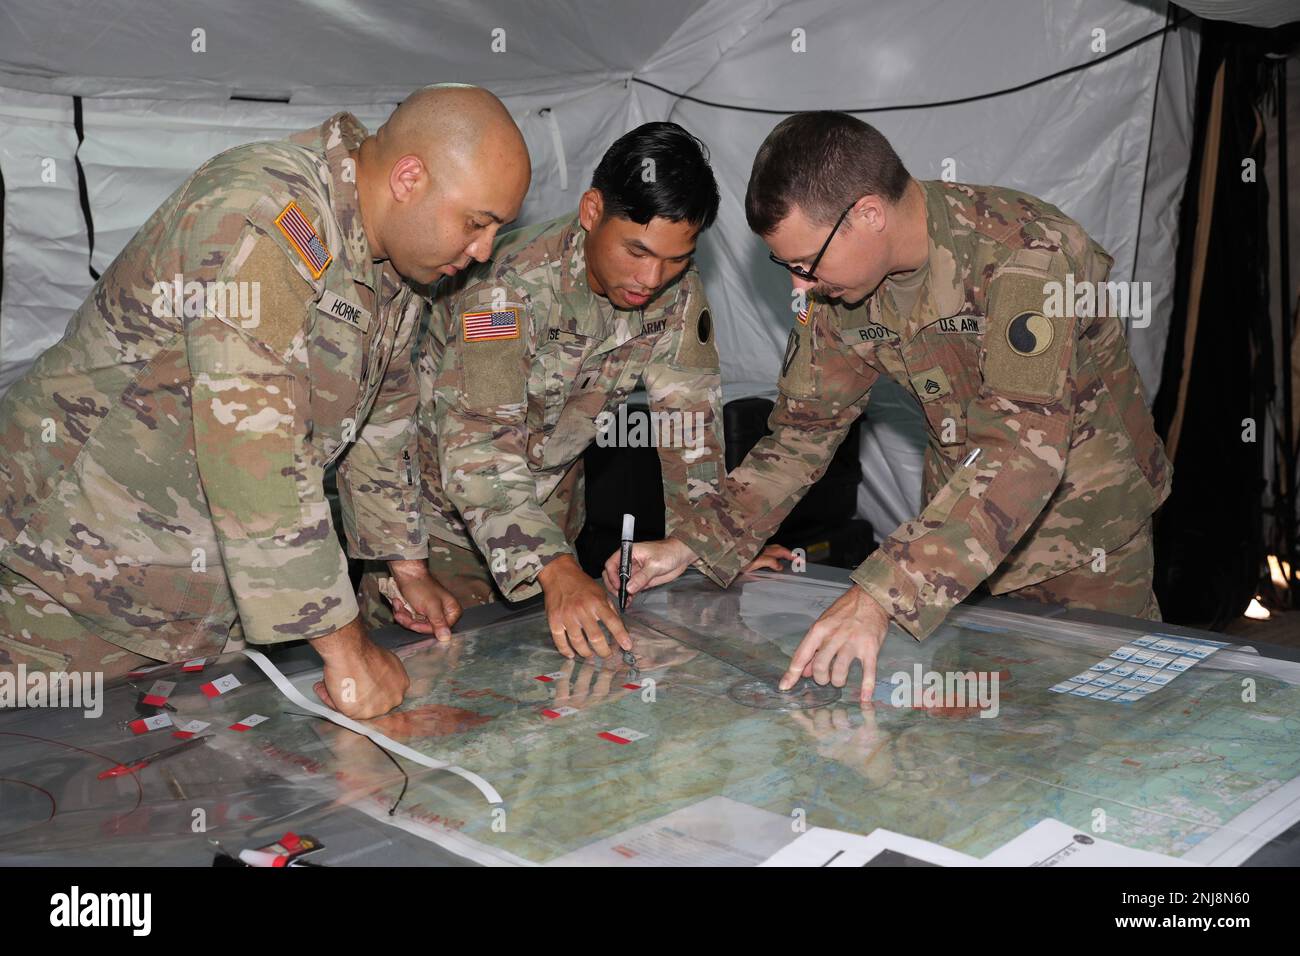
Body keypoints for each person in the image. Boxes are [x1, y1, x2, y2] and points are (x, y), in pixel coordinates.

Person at [0, 85, 530, 719]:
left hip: (194, 587)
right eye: (477, 222)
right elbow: (251, 437)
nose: (484, 251)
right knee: (44, 787)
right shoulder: (270, 212)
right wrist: (344, 645)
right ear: (409, 177)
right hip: (65, 573)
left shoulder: (393, 264)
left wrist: (406, 564)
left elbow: (382, 418)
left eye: (499, 228)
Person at [608, 111, 1172, 703]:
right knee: (973, 741)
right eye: (787, 267)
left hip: (1085, 538)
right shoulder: (837, 287)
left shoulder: (1027, 258)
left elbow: (1022, 455)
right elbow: (803, 432)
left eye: (806, 263)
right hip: (956, 543)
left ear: (868, 215)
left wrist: (882, 593)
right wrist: (695, 541)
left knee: (1104, 730)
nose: (800, 287)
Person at [369, 122, 727, 661]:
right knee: (443, 687)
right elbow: (479, 447)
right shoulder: (505, 289)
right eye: (636, 250)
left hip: (552, 521)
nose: (652, 277)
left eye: (676, 258)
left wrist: (703, 544)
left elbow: (691, 431)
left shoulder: (678, 294)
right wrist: (555, 568)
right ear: (591, 211)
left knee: (546, 693)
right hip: (442, 533)